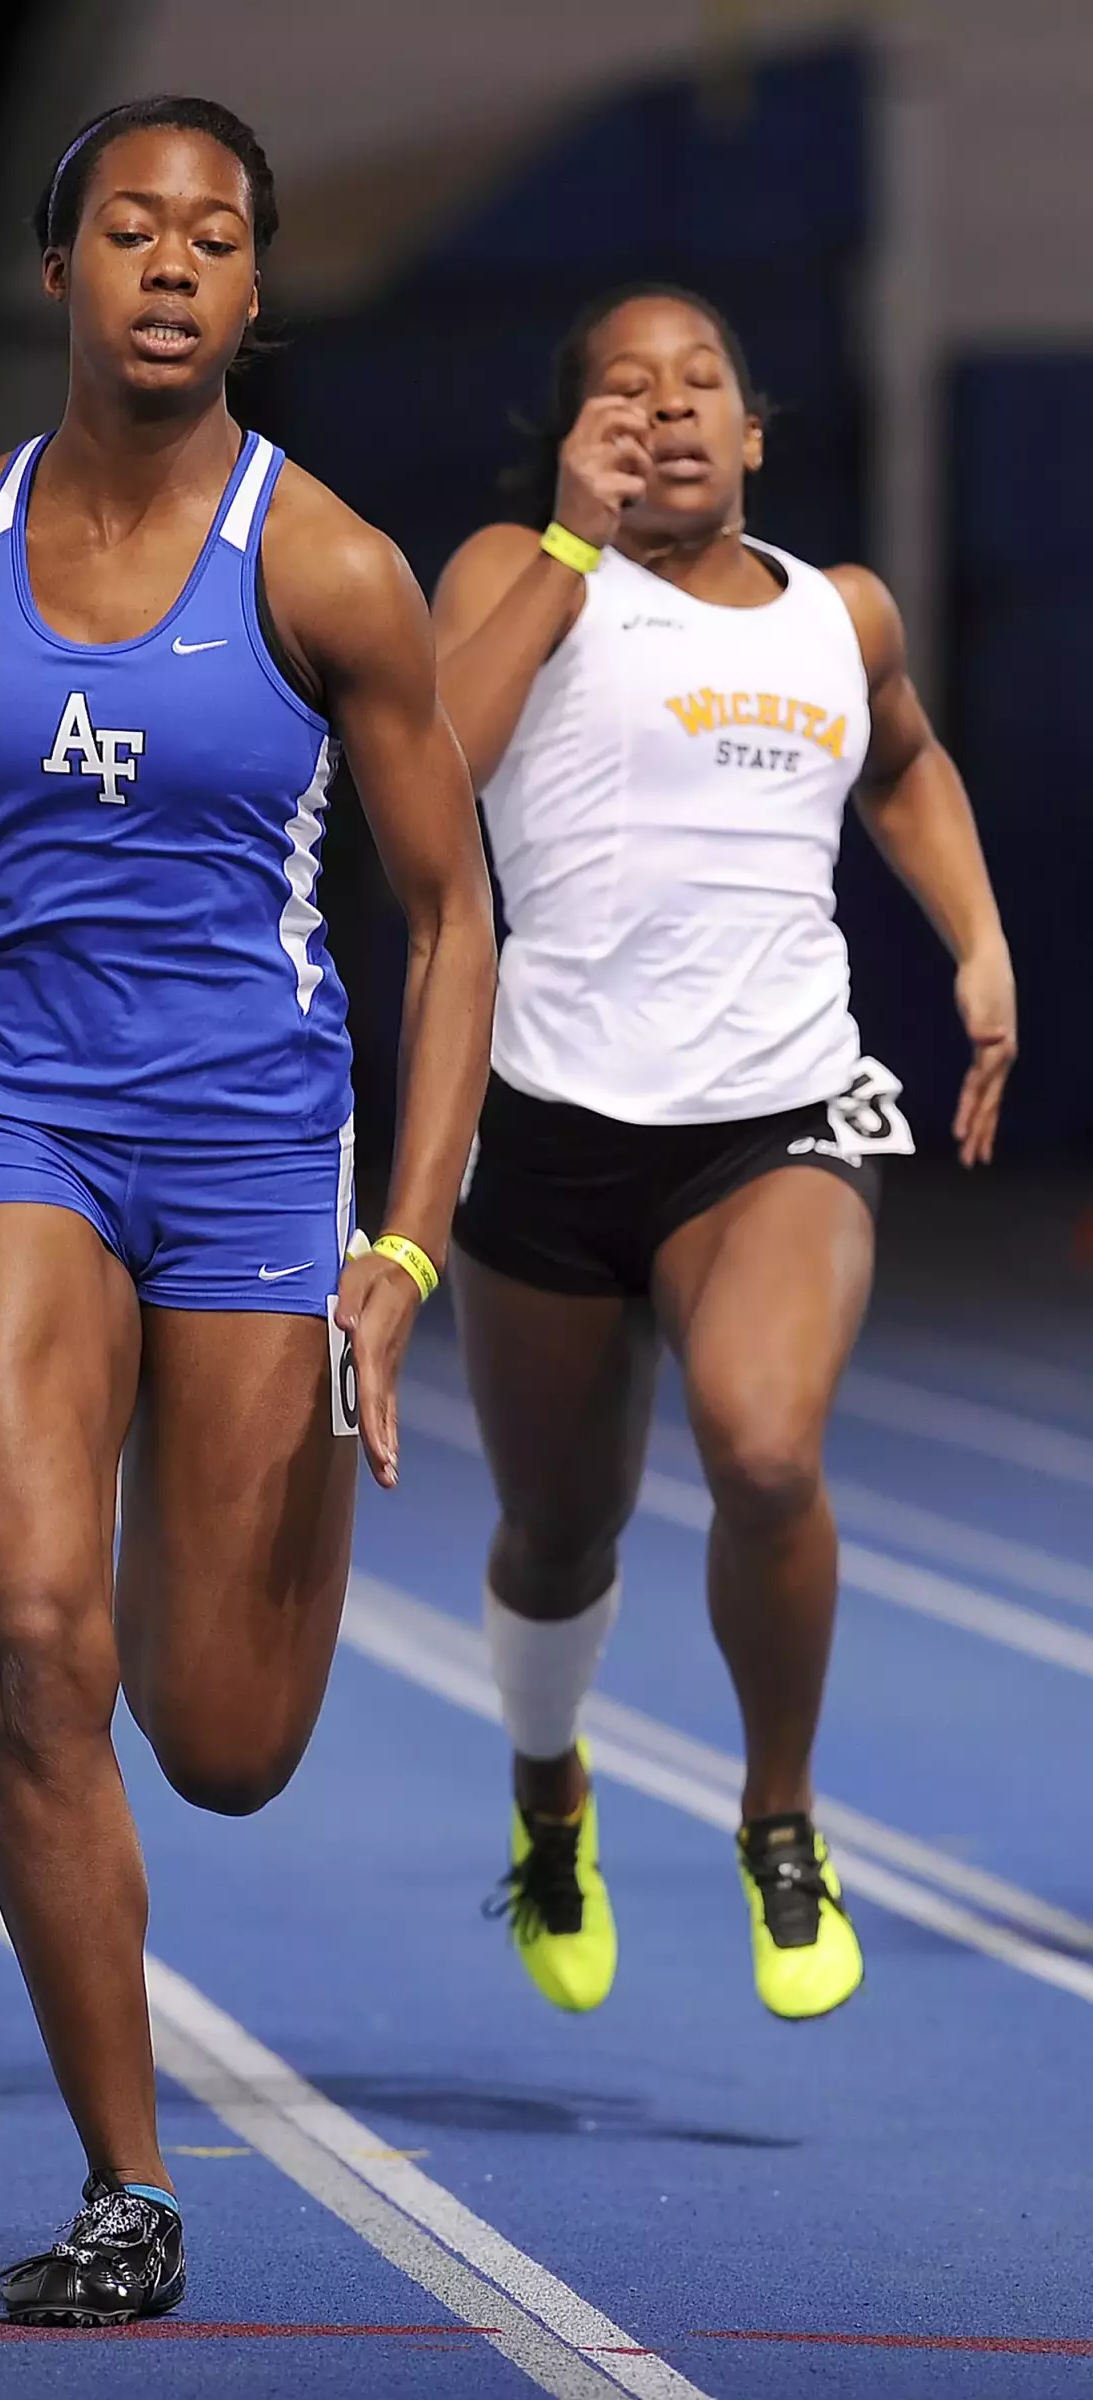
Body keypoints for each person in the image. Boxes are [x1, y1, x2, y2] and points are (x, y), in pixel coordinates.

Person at [0, 95, 494, 2323]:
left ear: (253, 296)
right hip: (14, 1134)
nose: (169, 263)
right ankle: (125, 2190)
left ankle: (264, 1459)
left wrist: (400, 1253)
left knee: (224, 1744)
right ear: (58, 277)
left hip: (256, 1152)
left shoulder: (326, 565)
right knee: (38, 1645)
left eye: (214, 237)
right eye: (128, 230)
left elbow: (452, 929)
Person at [432, 283, 1015, 2026]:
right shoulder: (511, 573)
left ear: (756, 433)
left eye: (703, 386)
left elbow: (901, 764)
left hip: (776, 1115)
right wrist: (565, 541)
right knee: (559, 1531)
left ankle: (781, 1814)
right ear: (573, 437)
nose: (669, 407)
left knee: (765, 1449)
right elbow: (430, 770)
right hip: (546, 1123)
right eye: (626, 386)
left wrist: (977, 945)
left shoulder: (840, 614)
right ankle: (552, 1804)